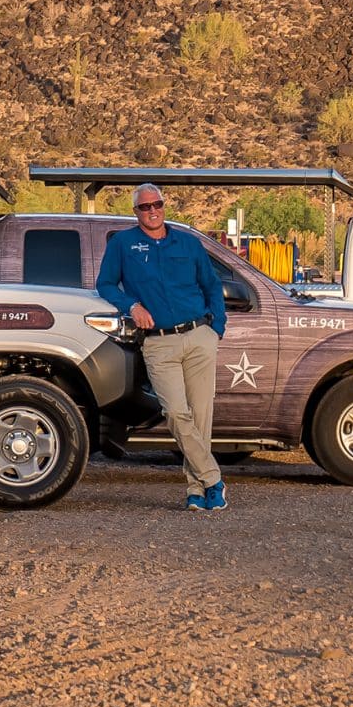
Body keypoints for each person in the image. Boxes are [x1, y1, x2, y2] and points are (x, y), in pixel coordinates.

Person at [96, 184, 230, 511]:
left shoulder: (187, 242)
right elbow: (105, 283)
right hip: (158, 343)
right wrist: (132, 306)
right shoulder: (124, 244)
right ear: (136, 212)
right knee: (174, 413)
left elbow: (212, 286)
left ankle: (196, 491)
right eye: (144, 207)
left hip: (199, 336)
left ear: (164, 205)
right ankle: (214, 478)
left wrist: (217, 329)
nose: (152, 210)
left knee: (201, 417)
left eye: (156, 204)